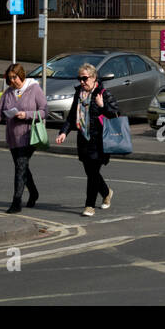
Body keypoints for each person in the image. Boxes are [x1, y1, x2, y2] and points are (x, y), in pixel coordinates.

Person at [54, 63, 120, 217]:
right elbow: (72, 116)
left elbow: (116, 115)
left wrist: (102, 106)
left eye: (84, 78)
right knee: (90, 171)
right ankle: (106, 192)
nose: (82, 82)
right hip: (83, 139)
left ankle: (89, 205)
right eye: (80, 79)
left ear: (93, 77)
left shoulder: (103, 94)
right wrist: (64, 132)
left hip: (99, 141)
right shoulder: (79, 94)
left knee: (93, 173)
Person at [0, 63, 46, 214]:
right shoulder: (8, 92)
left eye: (15, 77)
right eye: (10, 78)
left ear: (22, 75)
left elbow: (44, 111)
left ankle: (16, 202)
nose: (12, 81)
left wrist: (26, 115)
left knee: (20, 167)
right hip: (13, 137)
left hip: (29, 135)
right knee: (22, 168)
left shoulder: (34, 89)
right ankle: (34, 192)